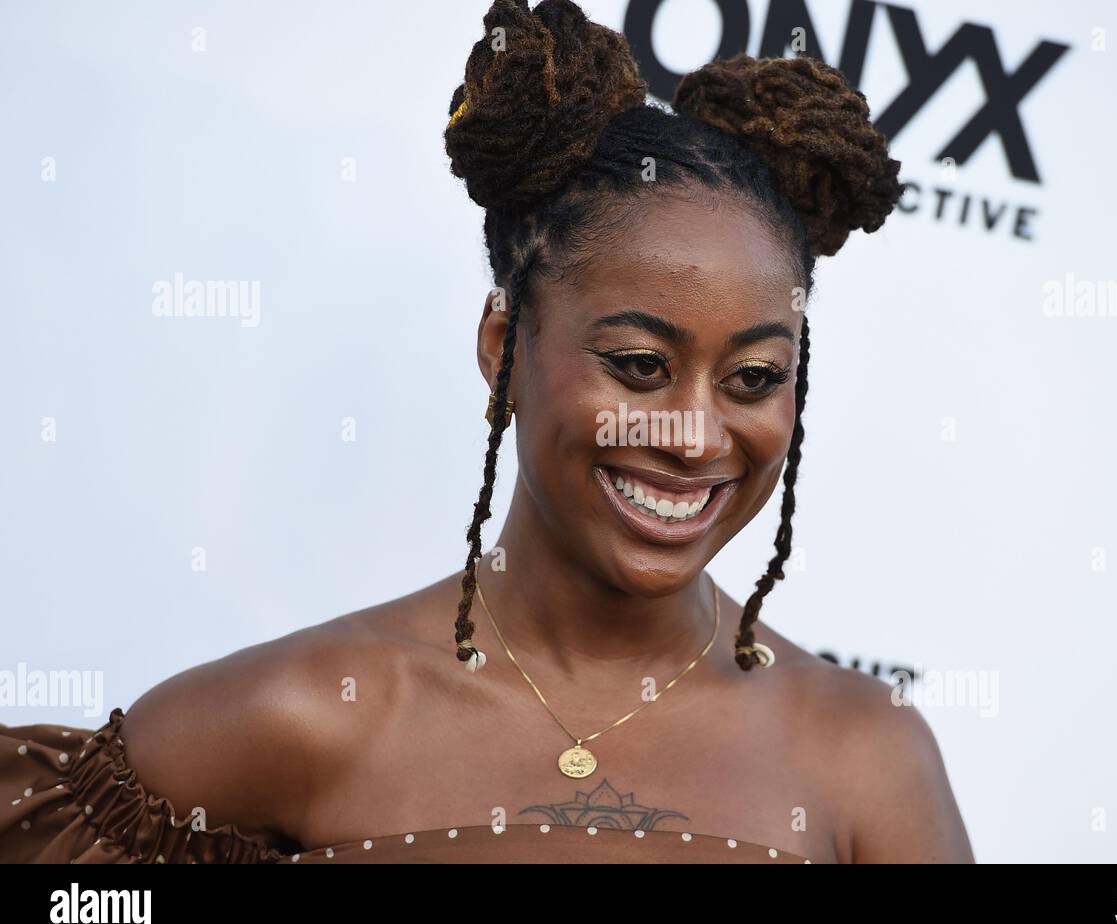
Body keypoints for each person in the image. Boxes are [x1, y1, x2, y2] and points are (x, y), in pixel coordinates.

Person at [0, 0, 974, 864]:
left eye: (754, 378)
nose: (692, 433)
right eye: (638, 364)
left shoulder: (864, 752)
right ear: (504, 344)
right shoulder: (302, 714)